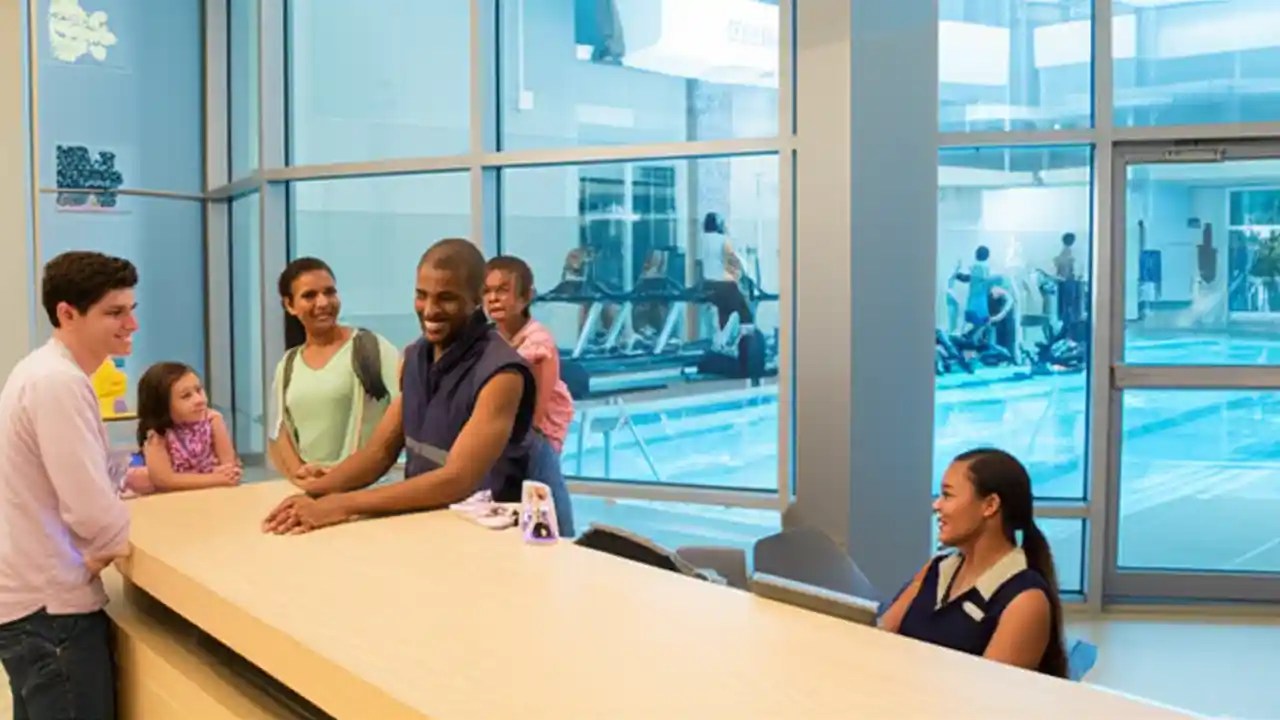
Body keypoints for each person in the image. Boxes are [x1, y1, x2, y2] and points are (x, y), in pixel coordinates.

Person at [262, 239, 574, 536]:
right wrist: (315, 491)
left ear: (476, 298)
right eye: (422, 295)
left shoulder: (503, 373)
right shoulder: (414, 357)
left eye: (446, 298)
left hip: (489, 543)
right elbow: (380, 451)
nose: (429, 309)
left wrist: (341, 504)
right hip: (426, 530)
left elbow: (458, 479)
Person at [0, 251, 144, 718]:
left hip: (31, 605)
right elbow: (89, 509)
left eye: (131, 309)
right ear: (67, 313)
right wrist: (114, 538)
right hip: (51, 614)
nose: (131, 325)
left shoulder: (41, 371)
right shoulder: (57, 382)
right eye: (115, 312)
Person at [879, 449, 1067, 678]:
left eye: (948, 495)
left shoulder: (1025, 600)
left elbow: (986, 704)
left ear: (990, 505)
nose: (936, 505)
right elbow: (880, 640)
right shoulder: (936, 569)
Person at [268, 258, 401, 483]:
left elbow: (403, 408)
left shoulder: (371, 348)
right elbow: (278, 431)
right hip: (311, 493)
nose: (323, 303)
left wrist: (345, 475)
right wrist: (304, 479)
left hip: (366, 490)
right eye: (309, 295)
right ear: (289, 305)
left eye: (329, 292)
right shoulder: (288, 365)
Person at [482, 255, 574, 454]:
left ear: (526, 296)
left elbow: (535, 416)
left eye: (502, 291)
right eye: (487, 291)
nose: (493, 298)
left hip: (536, 442)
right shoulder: (487, 338)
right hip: (502, 436)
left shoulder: (539, 344)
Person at [136, 361, 242, 492]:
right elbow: (164, 480)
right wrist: (215, 479)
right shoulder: (158, 434)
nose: (199, 400)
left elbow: (229, 465)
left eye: (199, 390)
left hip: (214, 495)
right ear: (161, 405)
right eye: (186, 396)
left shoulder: (213, 420)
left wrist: (226, 473)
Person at [700, 212, 754, 349]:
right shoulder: (722, 239)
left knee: (724, 310)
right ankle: (747, 345)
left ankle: (720, 343)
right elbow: (733, 262)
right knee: (745, 312)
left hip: (707, 285)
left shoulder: (701, 239)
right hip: (724, 285)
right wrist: (744, 276)